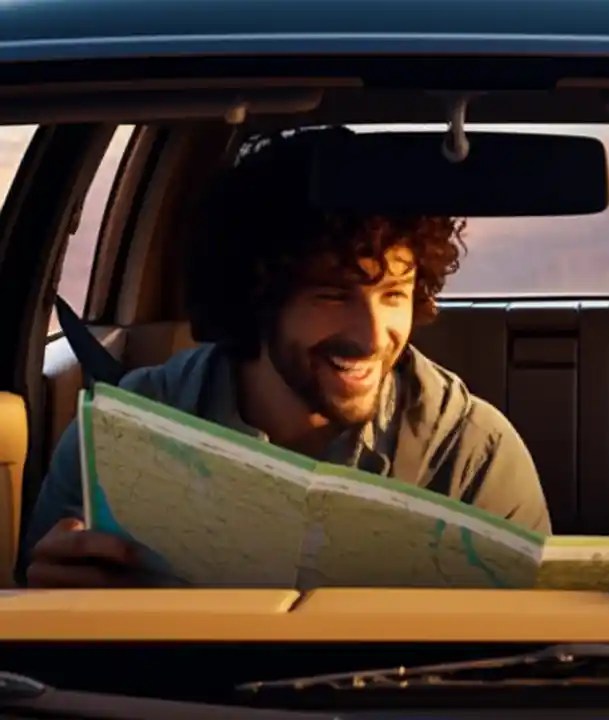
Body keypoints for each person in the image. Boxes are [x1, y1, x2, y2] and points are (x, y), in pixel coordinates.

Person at [22, 127, 550, 588]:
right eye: (333, 296)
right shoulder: (119, 440)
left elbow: (536, 652)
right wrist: (52, 592)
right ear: (258, 296)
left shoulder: (473, 455)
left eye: (394, 295)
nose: (371, 336)